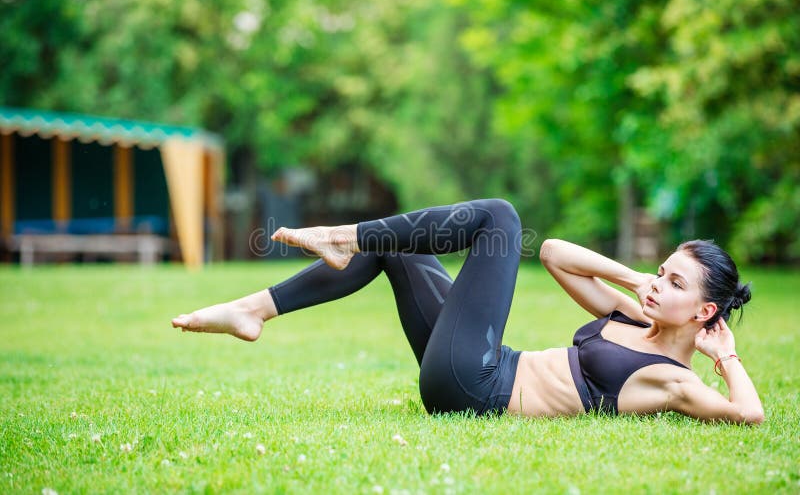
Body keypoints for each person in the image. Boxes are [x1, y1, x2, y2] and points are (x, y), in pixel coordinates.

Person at [171, 199, 764, 424]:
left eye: (673, 281)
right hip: (477, 365)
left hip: (478, 387)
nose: (658, 284)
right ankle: (254, 309)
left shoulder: (673, 380)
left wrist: (727, 356)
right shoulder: (636, 315)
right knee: (397, 247)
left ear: (705, 311)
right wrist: (636, 277)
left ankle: (340, 234)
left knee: (500, 219)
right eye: (662, 271)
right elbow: (556, 254)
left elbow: (750, 416)